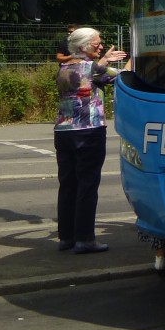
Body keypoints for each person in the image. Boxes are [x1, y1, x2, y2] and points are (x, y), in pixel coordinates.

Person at [54, 27, 126, 254]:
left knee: (68, 184)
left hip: (63, 130)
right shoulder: (94, 68)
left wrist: (103, 61)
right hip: (89, 130)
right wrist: (136, 56)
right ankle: (85, 238)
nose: (101, 46)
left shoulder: (64, 67)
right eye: (97, 44)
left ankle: (66, 237)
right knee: (87, 184)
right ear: (84, 47)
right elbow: (124, 76)